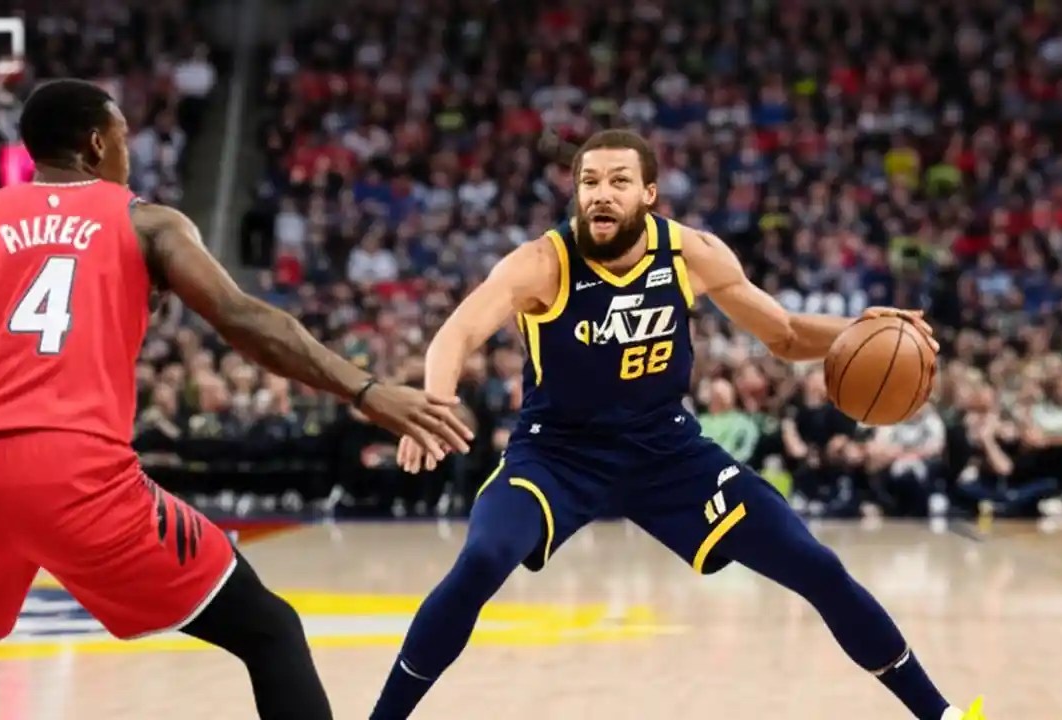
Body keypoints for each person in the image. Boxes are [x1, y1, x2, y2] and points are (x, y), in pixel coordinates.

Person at [0, 78, 474, 720]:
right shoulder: (146, 224)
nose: (128, 153)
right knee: (269, 628)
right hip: (74, 472)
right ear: (96, 144)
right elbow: (245, 320)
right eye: (122, 137)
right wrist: (364, 388)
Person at [369, 129, 985, 720]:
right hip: (558, 453)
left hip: (666, 450)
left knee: (814, 564)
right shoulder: (540, 263)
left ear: (649, 193)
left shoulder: (691, 252)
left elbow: (785, 334)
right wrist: (434, 405)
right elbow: (458, 333)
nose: (601, 194)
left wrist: (864, 330)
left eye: (618, 181)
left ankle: (942, 714)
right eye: (589, 182)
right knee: (482, 559)